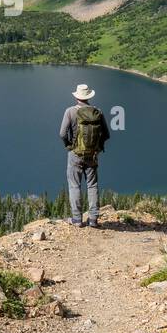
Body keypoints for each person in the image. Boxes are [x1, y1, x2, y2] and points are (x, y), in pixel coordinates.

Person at [59, 83, 110, 227]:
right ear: (88, 97)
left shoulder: (70, 111)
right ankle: (93, 219)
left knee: (74, 185)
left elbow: (62, 134)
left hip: (75, 154)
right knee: (92, 185)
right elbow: (106, 135)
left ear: (77, 97)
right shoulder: (97, 112)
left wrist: (69, 145)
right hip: (92, 155)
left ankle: (76, 219)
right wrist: (97, 148)